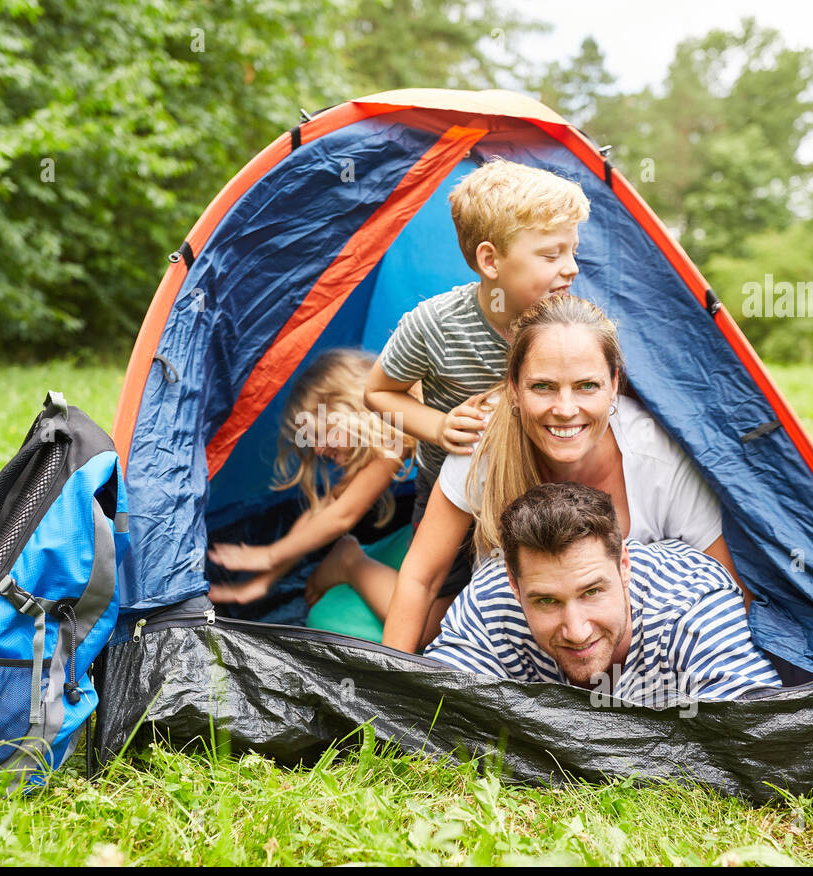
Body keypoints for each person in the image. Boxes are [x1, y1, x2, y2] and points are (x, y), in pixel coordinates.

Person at [380, 292, 747, 653]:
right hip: (518, 658)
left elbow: (724, 590)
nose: (565, 409)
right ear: (514, 387)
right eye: (543, 387)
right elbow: (421, 578)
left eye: (587, 386)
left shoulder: (658, 456)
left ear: (614, 385)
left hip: (639, 657)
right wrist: (384, 691)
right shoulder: (485, 445)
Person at [362, 158, 592, 619]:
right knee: (433, 617)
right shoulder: (434, 324)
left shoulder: (571, 323)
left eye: (573, 251)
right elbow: (378, 392)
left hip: (538, 484)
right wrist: (440, 425)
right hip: (451, 489)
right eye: (550, 255)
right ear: (490, 260)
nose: (570, 269)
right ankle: (349, 564)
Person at [424, 482, 781, 703]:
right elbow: (430, 714)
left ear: (623, 566)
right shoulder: (490, 604)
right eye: (547, 600)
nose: (576, 631)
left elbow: (757, 731)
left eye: (592, 592)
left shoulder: (691, 605)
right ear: (514, 586)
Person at [207, 348, 414, 608]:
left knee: (422, 620)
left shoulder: (397, 423)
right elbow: (325, 507)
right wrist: (259, 583)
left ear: (346, 408)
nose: (316, 450)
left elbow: (342, 516)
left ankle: (350, 560)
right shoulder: (388, 431)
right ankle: (349, 559)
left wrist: (270, 555)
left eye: (319, 434)